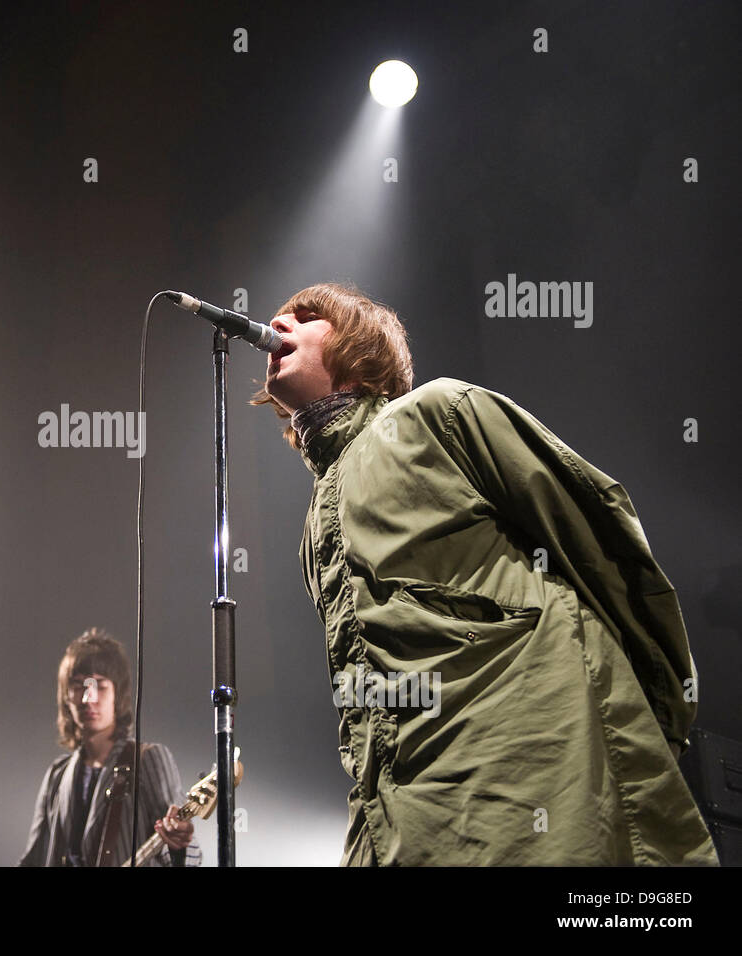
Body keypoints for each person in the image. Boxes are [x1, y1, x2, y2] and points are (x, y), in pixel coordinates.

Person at [252, 281, 719, 866]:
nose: (280, 323)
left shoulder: (437, 412)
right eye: (280, 316)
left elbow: (598, 535)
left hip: (523, 762)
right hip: (398, 804)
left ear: (359, 343)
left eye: (306, 316)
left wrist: (660, 710)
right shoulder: (315, 522)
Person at [19, 628, 201, 867]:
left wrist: (179, 842)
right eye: (78, 685)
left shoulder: (148, 760)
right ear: (66, 697)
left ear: (118, 694)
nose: (89, 698)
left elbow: (188, 856)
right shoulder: (57, 774)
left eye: (100, 686)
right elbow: (33, 859)